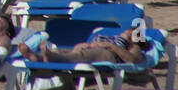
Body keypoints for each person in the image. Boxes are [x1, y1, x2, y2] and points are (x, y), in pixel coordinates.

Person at [18, 26, 151, 66]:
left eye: (130, 33)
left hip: (109, 55)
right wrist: (83, 45)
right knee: (62, 50)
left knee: (79, 55)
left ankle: (48, 56)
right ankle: (37, 57)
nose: (126, 32)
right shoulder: (113, 37)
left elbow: (133, 60)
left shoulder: (134, 46)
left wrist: (110, 46)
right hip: (93, 49)